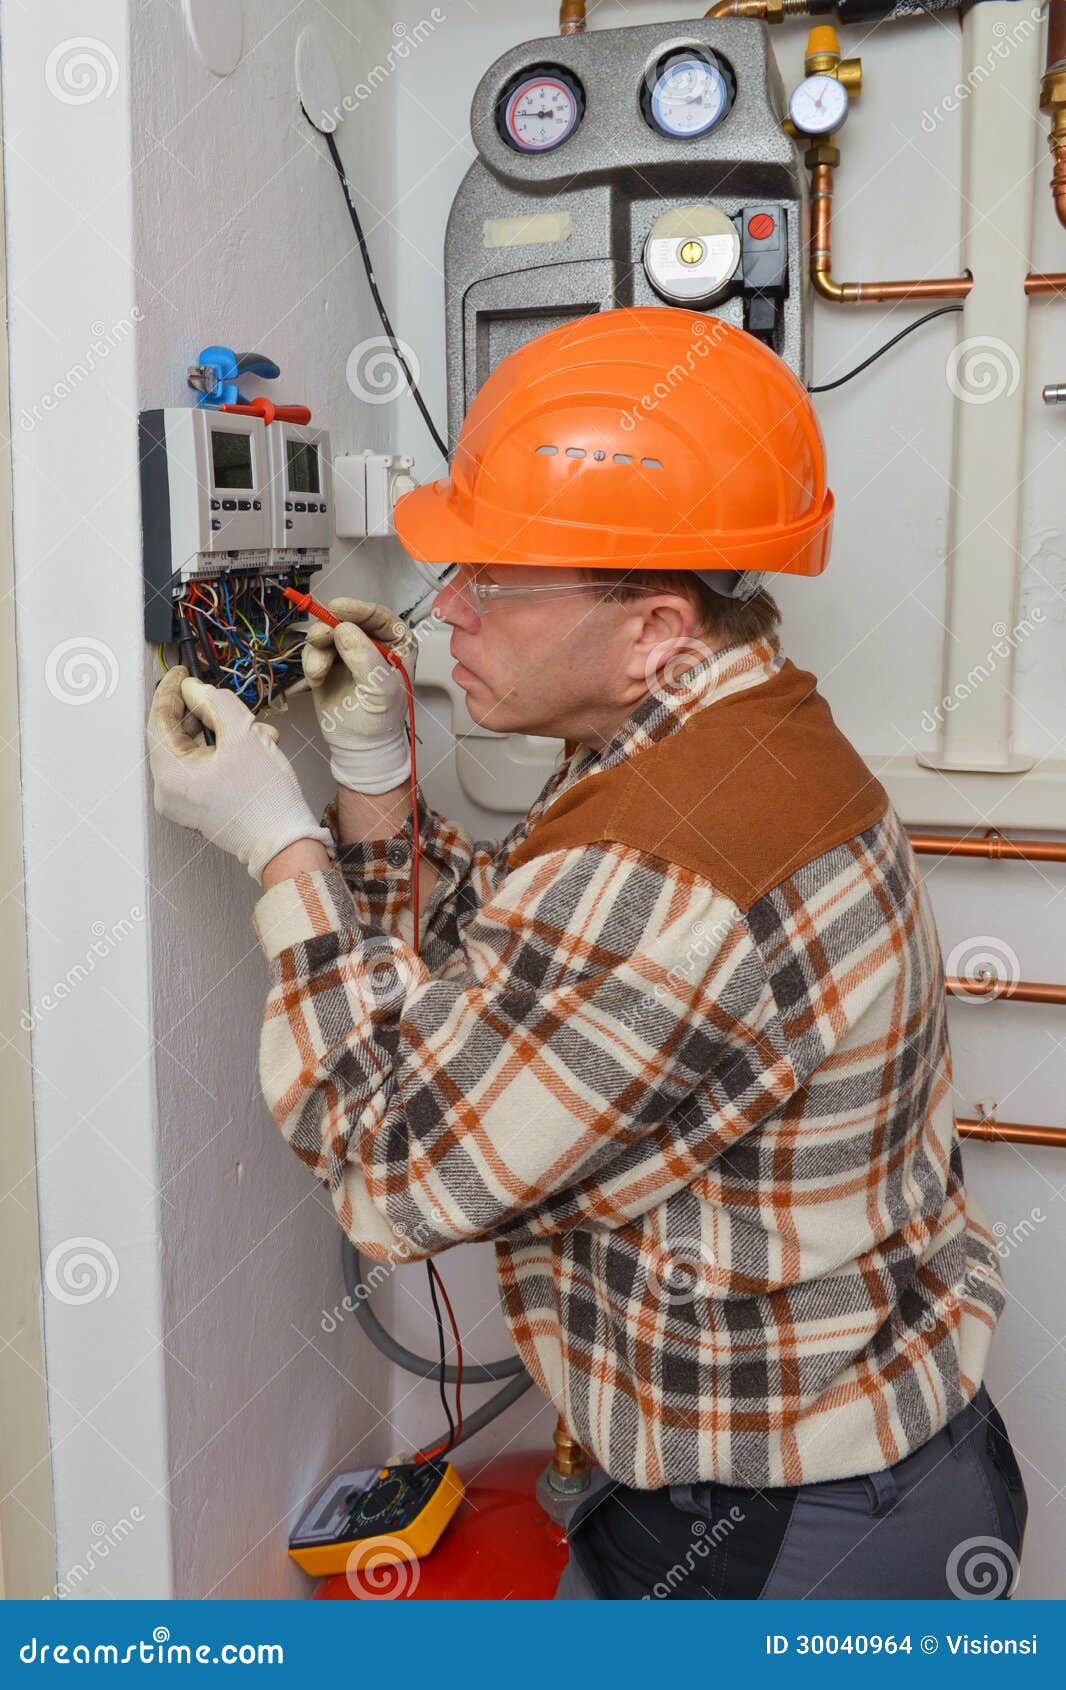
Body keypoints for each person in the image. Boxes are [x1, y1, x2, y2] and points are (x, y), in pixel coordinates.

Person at [148, 307, 1027, 1600]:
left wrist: (279, 848)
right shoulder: (737, 735)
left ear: (653, 628)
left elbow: (394, 1175)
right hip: (861, 1459)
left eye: (491, 581)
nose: (447, 608)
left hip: (788, 1524)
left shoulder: (661, 866)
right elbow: (517, 966)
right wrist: (375, 779)